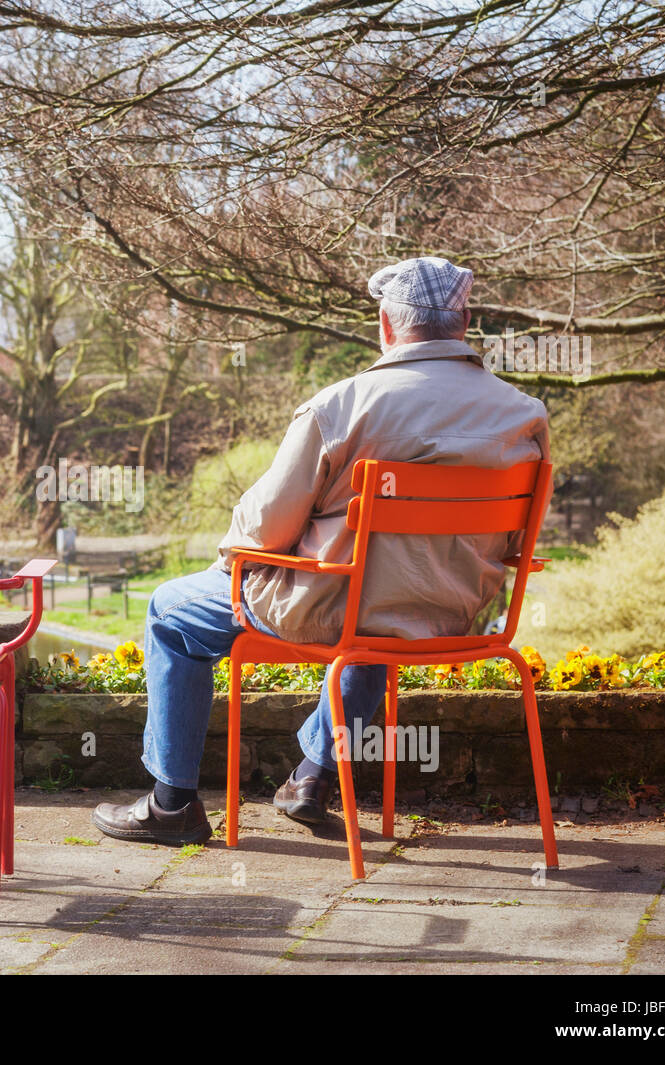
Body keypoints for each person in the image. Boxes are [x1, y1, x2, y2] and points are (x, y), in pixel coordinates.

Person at [92, 256, 550, 845]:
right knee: (374, 620)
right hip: (456, 615)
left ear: (386, 324)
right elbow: (517, 542)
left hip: (336, 609)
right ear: (465, 321)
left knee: (169, 610)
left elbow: (265, 529)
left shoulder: (342, 407)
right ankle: (311, 777)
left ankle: (171, 803)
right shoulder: (524, 414)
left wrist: (232, 560)